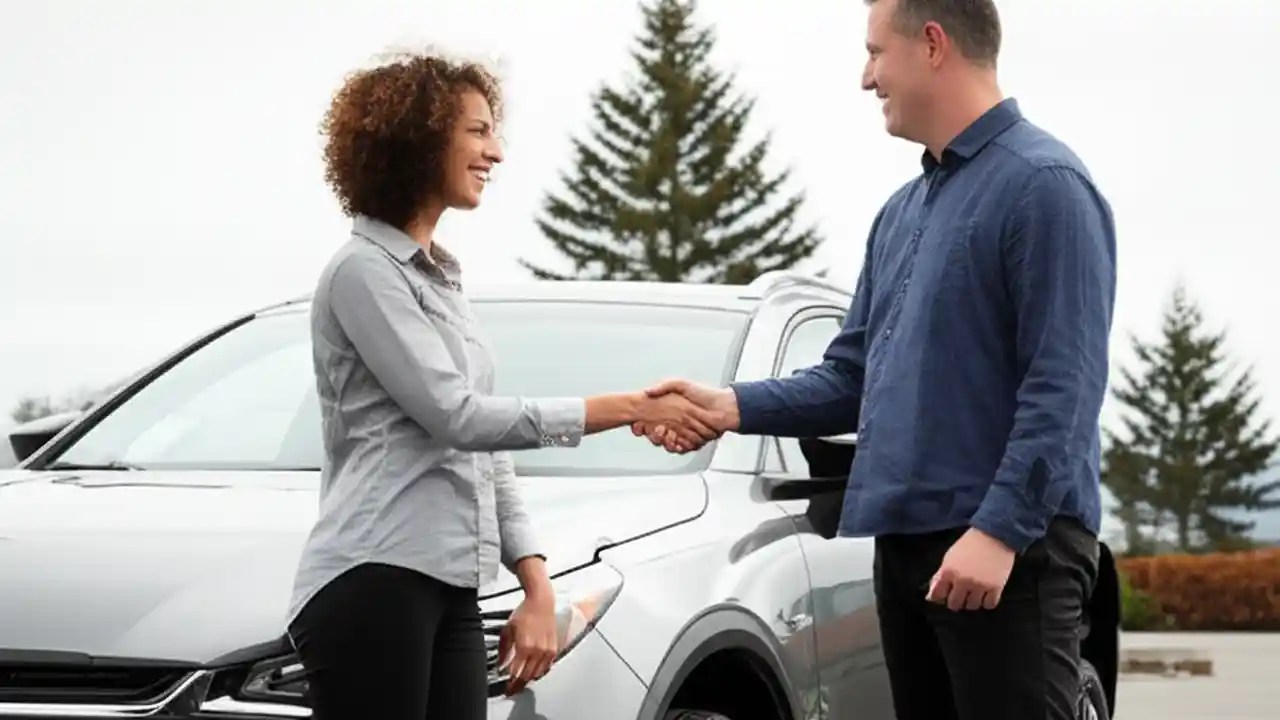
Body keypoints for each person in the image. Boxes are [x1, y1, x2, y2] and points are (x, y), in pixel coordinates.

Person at [634, 1, 1117, 719]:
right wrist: (728, 407)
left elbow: (1064, 388)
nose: (866, 78)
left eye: (874, 52)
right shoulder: (900, 213)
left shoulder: (1046, 187)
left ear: (932, 44)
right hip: (907, 556)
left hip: (1009, 557)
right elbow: (851, 379)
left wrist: (998, 533)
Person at [284, 51, 716, 720]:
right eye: (478, 131)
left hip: (452, 588)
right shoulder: (362, 272)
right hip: (374, 578)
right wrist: (626, 407)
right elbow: (457, 417)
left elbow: (483, 449)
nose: (497, 152)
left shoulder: (440, 280)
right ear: (421, 138)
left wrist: (535, 585)